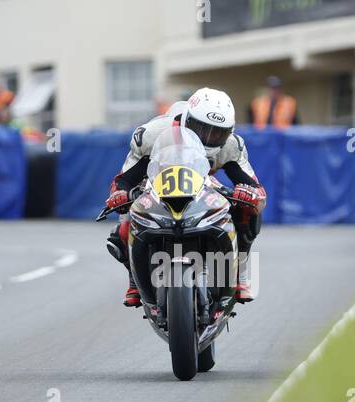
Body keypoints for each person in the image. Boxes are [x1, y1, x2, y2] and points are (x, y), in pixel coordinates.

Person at [104, 88, 266, 305]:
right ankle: (134, 279)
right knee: (125, 216)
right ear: (187, 120)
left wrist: (251, 194)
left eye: (216, 133)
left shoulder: (231, 146)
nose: (207, 138)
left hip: (204, 184)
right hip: (158, 185)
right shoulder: (151, 135)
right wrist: (119, 195)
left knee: (249, 208)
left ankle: (240, 273)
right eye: (201, 129)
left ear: (227, 133)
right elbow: (123, 179)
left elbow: (256, 189)